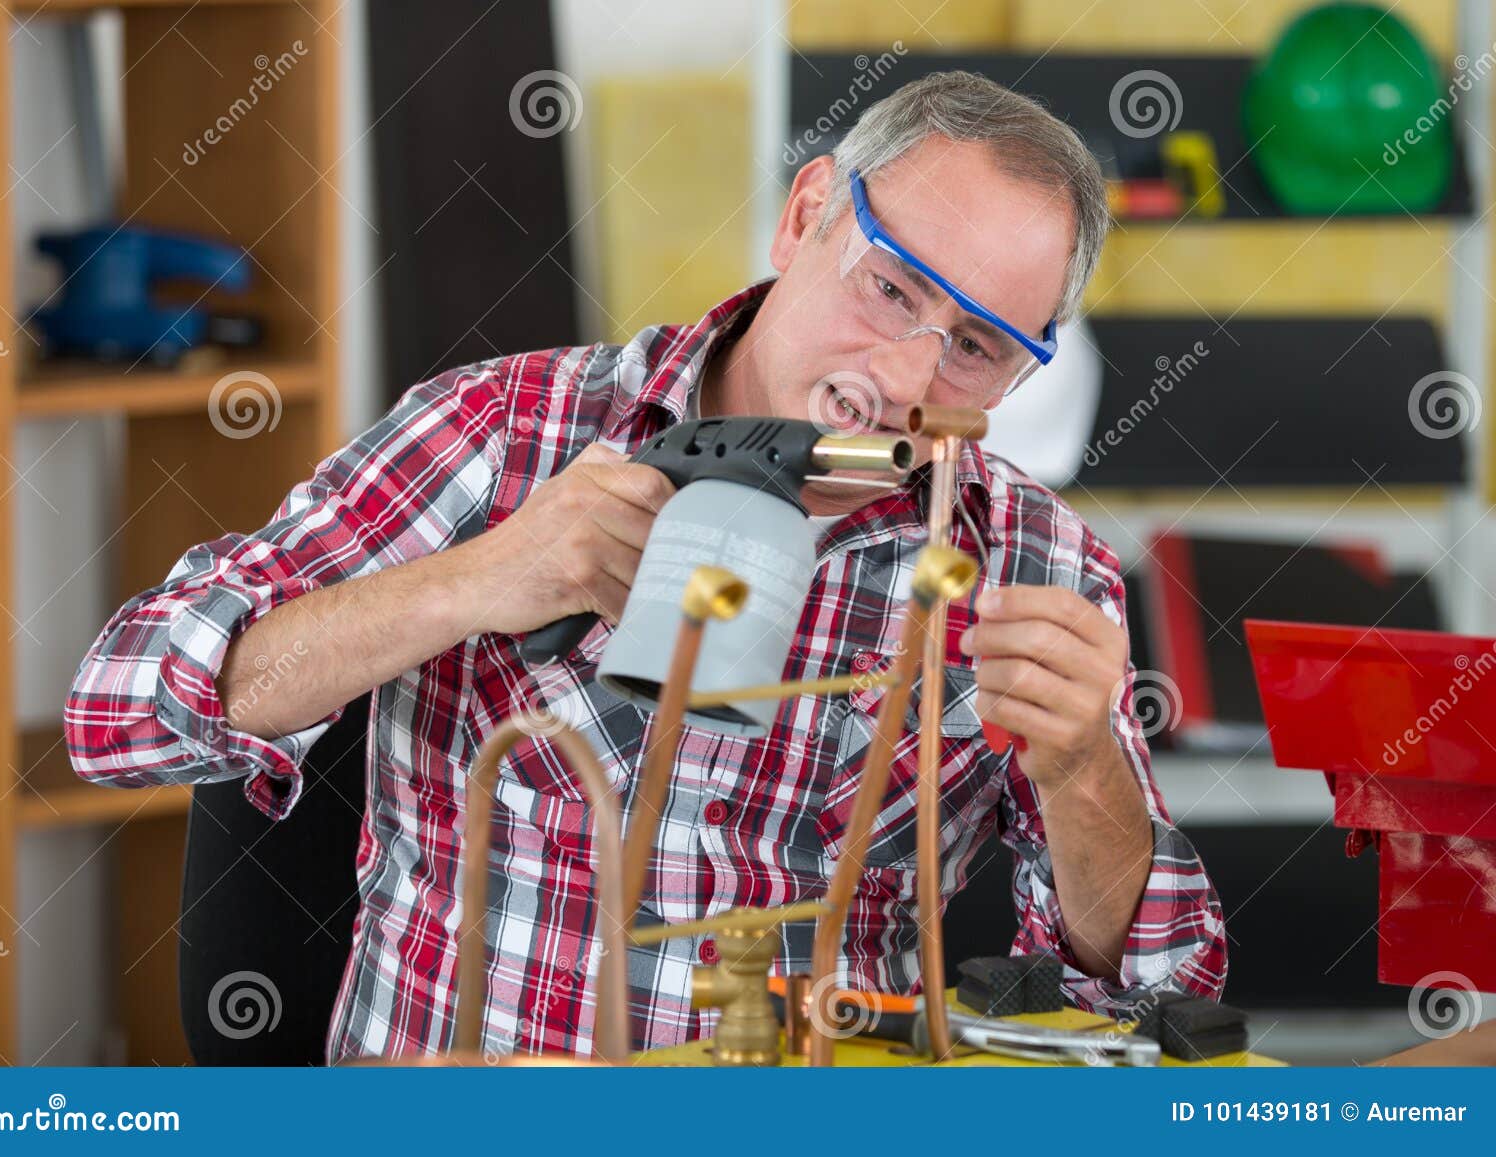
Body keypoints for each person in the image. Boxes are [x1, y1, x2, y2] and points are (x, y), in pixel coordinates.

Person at [65, 69, 1226, 1062]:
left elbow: (1165, 993)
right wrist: (477, 579)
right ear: (806, 213)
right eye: (889, 286)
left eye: (974, 347)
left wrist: (1084, 777)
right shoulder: (504, 431)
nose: (908, 373)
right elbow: (116, 714)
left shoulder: (1031, 562)